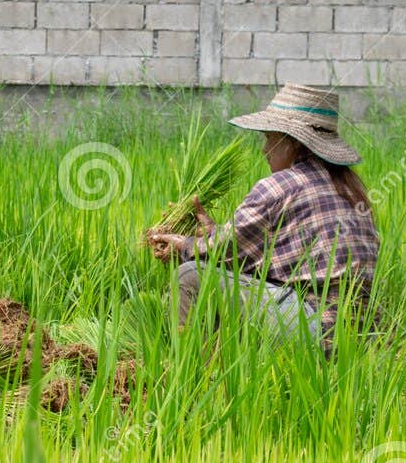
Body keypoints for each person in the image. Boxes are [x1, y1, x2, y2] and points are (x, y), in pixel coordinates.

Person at [144, 83, 379, 353]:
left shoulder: (280, 186)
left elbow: (226, 251)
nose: (264, 149)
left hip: (316, 330)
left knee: (190, 275)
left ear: (291, 142)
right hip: (360, 337)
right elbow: (261, 258)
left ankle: (187, 372)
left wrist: (184, 246)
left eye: (269, 138)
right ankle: (231, 367)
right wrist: (213, 234)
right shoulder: (351, 190)